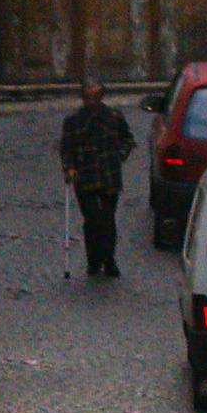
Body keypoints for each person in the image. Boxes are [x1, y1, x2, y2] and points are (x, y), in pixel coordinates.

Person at [57, 78, 133, 279]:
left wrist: (119, 156)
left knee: (107, 220)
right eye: (87, 98)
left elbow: (128, 140)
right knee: (92, 220)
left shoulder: (114, 117)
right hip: (86, 178)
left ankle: (108, 259)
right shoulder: (73, 121)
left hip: (109, 177)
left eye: (95, 98)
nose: (91, 102)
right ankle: (94, 259)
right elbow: (67, 147)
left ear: (101, 98)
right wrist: (70, 167)